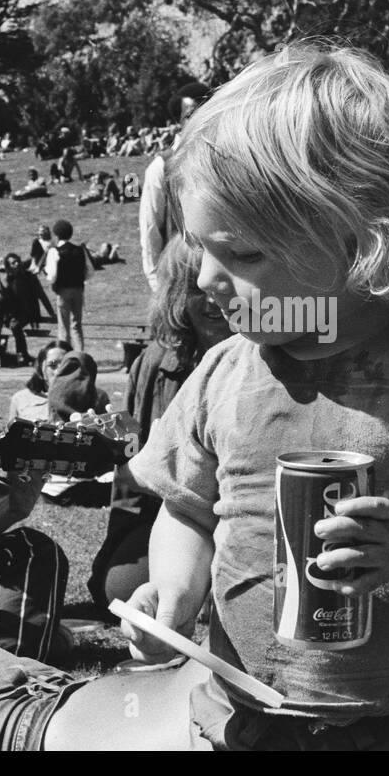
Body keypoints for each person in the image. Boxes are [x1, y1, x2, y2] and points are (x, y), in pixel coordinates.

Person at [118, 43, 389, 751]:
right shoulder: (225, 371)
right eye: (202, 252)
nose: (204, 283)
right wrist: (173, 590)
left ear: (360, 241)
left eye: (242, 255)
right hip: (242, 715)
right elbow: (187, 508)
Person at [90, 239, 232, 609]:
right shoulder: (153, 363)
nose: (213, 301)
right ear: (175, 296)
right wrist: (117, 540)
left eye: (225, 283)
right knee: (118, 587)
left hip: (241, 517)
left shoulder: (270, 356)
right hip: (172, 516)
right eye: (195, 289)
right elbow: (131, 459)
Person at [140, 82, 212, 291]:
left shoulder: (224, 160)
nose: (201, 119)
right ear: (179, 123)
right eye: (191, 115)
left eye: (207, 110)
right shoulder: (161, 167)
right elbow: (150, 229)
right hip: (181, 280)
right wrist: (158, 286)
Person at [0, 253, 55, 366]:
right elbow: (3, 298)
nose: (17, 263)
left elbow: (41, 295)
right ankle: (0, 354)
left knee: (15, 326)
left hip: (28, 312)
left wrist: (51, 313)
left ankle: (23, 355)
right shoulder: (7, 279)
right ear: (8, 267)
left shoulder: (29, 276)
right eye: (13, 263)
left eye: (17, 261)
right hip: (12, 313)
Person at [8, 340, 73, 420]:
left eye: (65, 365)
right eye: (52, 365)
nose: (58, 371)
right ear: (41, 368)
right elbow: (12, 431)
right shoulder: (20, 399)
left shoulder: (85, 400)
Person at [50, 219, 89, 351]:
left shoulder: (55, 251)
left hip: (62, 290)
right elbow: (89, 271)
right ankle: (79, 354)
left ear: (56, 235)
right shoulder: (80, 250)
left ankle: (64, 354)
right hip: (78, 290)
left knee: (63, 326)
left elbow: (52, 275)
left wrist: (51, 280)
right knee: (76, 325)